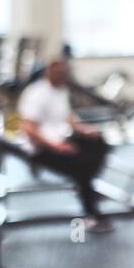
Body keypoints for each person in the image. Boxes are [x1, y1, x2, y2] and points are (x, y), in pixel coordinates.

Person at [17, 57, 113, 233]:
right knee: (82, 166)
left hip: (64, 138)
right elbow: (29, 128)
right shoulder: (36, 93)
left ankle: (86, 186)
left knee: (100, 143)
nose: (63, 76)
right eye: (59, 73)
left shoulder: (60, 90)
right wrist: (55, 146)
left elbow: (68, 117)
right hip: (42, 147)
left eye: (65, 73)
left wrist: (84, 130)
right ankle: (92, 215)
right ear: (48, 72)